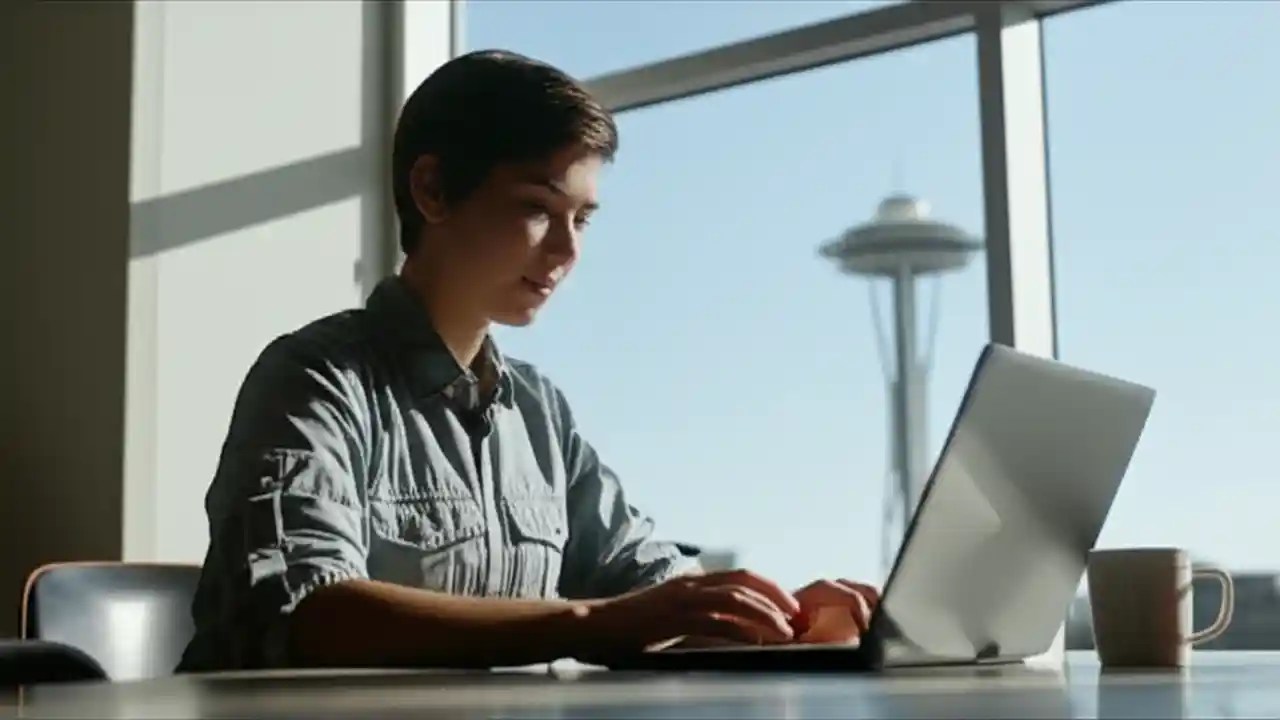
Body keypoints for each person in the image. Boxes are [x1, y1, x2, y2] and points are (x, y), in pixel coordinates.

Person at [178, 49, 878, 672]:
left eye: (583, 219)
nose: (569, 251)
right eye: (539, 208)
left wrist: (783, 620)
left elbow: (650, 590)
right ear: (433, 191)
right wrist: (591, 623)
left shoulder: (538, 412)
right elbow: (306, 611)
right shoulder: (316, 380)